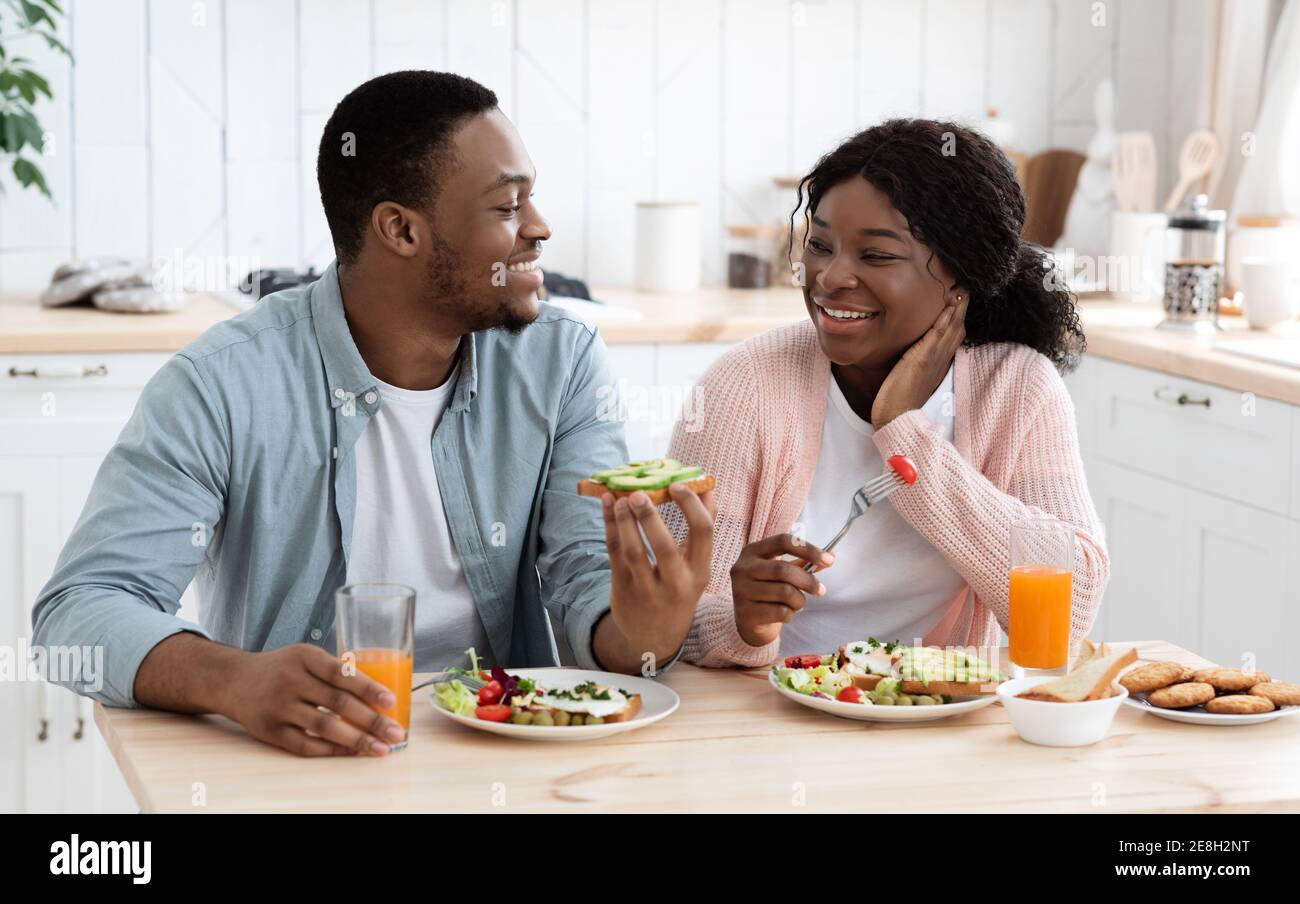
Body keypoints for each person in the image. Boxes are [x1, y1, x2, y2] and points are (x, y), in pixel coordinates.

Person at [33, 71, 713, 756]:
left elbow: (587, 582)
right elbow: (80, 610)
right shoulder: (221, 384)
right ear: (400, 230)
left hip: (506, 754)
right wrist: (235, 681)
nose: (539, 228)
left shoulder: (560, 364)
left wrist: (645, 630)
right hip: (304, 759)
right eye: (508, 206)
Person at [664, 118, 1108, 666]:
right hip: (770, 722)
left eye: (875, 256)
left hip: (941, 718)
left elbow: (1069, 611)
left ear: (959, 277)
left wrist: (905, 433)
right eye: (820, 245)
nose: (828, 278)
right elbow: (665, 624)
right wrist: (740, 623)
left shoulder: (1016, 389)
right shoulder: (744, 387)